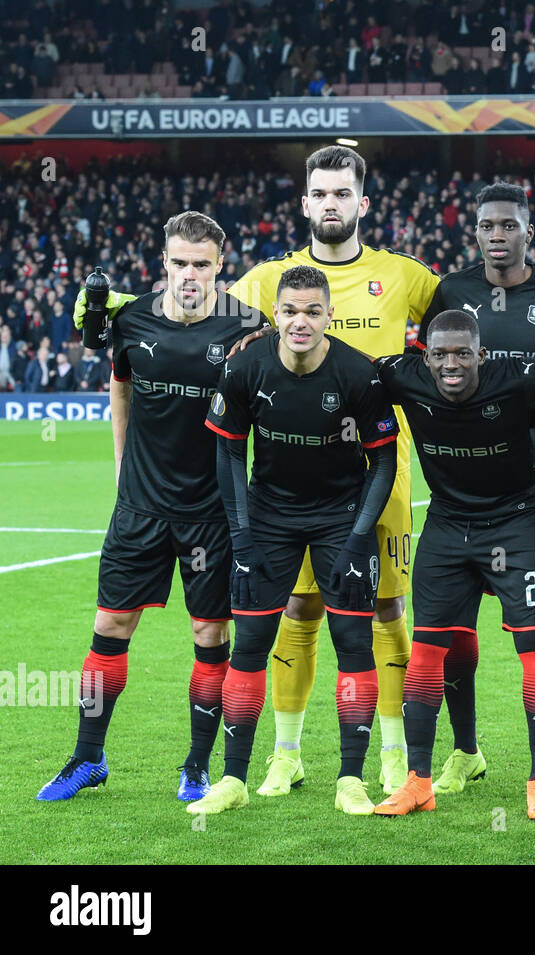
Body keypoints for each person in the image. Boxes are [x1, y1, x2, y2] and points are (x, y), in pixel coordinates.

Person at [228, 145, 535, 799]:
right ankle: (291, 754)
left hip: (406, 474)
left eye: (343, 193)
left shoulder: (406, 276)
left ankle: (415, 758)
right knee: (305, 606)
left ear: (362, 203)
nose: (331, 204)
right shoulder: (268, 280)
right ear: (305, 202)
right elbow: (198, 320)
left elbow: (509, 319)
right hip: (303, 479)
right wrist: (125, 313)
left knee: (403, 608)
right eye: (321, 193)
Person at [37, 211, 257, 803]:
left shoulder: (247, 327)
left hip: (211, 512)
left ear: (220, 265)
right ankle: (88, 757)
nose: (189, 275)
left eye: (201, 264)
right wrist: (119, 465)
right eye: (179, 262)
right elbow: (121, 384)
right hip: (140, 508)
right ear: (163, 262)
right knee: (110, 625)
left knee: (209, 632)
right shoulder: (132, 319)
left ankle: (196, 766)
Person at [415, 182, 535, 805]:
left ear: (529, 230)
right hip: (465, 481)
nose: (497, 235)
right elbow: (425, 367)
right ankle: (465, 750)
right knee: (453, 621)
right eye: (486, 225)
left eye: (508, 225)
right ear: (474, 231)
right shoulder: (453, 292)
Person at [190, 264, 398, 815]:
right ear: (275, 315)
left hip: (341, 520)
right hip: (268, 521)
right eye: (289, 311)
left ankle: (351, 781)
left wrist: (358, 540)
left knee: (354, 645)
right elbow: (229, 453)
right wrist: (242, 540)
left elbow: (383, 462)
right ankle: (233, 780)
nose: (300, 321)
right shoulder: (246, 368)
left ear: (330, 315)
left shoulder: (358, 374)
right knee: (250, 646)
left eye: (312, 311)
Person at [371, 309, 535, 819]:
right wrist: (267, 340)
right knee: (425, 653)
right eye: (440, 354)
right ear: (424, 356)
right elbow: (338, 365)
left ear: (481, 355)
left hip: (519, 523)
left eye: (462, 354)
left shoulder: (520, 376)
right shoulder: (404, 375)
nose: (451, 365)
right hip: (446, 526)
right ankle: (418, 782)